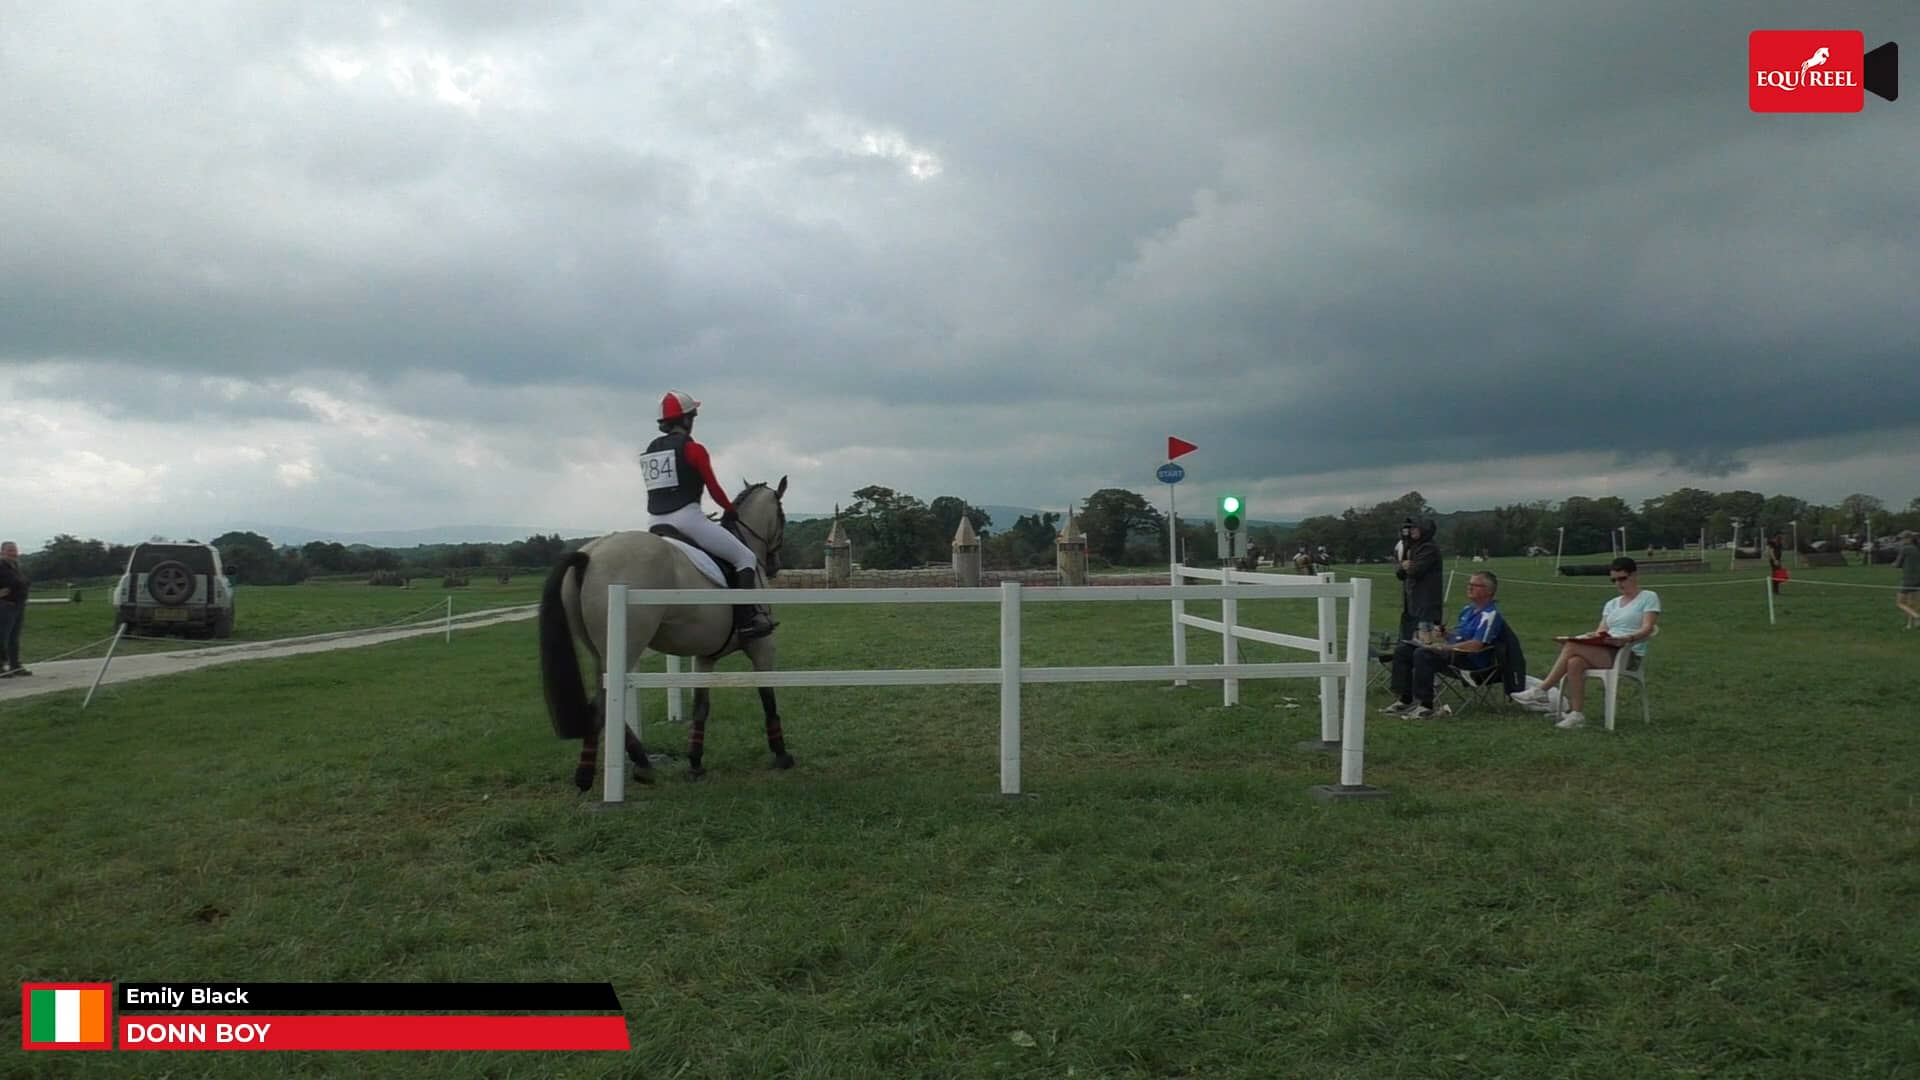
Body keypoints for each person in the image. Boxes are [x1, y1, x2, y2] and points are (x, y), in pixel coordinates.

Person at [640, 391, 776, 640]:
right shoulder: (694, 449)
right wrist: (730, 510)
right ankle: (746, 621)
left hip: (655, 521)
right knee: (745, 558)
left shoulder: (650, 451)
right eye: (692, 417)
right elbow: (713, 488)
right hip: (687, 518)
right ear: (686, 420)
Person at [1512, 556, 1661, 730]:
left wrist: (1627, 638)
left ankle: (1542, 690)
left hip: (1629, 654)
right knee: (1574, 662)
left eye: (1622, 578)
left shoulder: (1648, 597)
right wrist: (1587, 637)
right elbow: (1601, 631)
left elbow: (1648, 628)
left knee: (1572, 647)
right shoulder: (1612, 604)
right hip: (1607, 649)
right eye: (1614, 580)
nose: (1618, 583)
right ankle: (1577, 714)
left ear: (1634, 575)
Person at [1382, 570, 1503, 718]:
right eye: (1469, 584)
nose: (1469, 587)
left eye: (1475, 585)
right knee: (1404, 650)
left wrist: (1444, 647)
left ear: (1489, 591)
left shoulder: (1491, 615)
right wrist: (1446, 635)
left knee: (1424, 654)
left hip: (1471, 663)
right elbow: (1460, 638)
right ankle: (1404, 699)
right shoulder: (1467, 610)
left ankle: (1425, 705)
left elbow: (1476, 645)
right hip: (1454, 655)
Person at [1395, 517, 1443, 645]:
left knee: (1424, 639)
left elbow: (1415, 570)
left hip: (1425, 601)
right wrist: (1405, 563)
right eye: (1411, 528)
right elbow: (1400, 574)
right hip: (1412, 601)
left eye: (1416, 528)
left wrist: (1407, 566)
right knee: (1409, 640)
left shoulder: (1429, 548)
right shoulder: (1411, 547)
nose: (1412, 531)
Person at [0, 541, 29, 676]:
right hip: (6, 606)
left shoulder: (16, 567)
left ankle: (15, 665)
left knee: (14, 638)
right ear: (2, 552)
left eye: (15, 550)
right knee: (2, 637)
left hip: (18, 605)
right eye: (10, 550)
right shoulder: (1, 567)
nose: (14, 553)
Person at [1894, 531, 1920, 630]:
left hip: (1908, 579)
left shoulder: (1905, 549)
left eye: (1902, 539)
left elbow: (1897, 564)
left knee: (1900, 603)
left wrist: (1893, 564)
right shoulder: (1917, 548)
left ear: (1909, 539)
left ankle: (1917, 616)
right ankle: (1910, 625)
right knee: (1912, 603)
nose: (1901, 541)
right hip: (1918, 579)